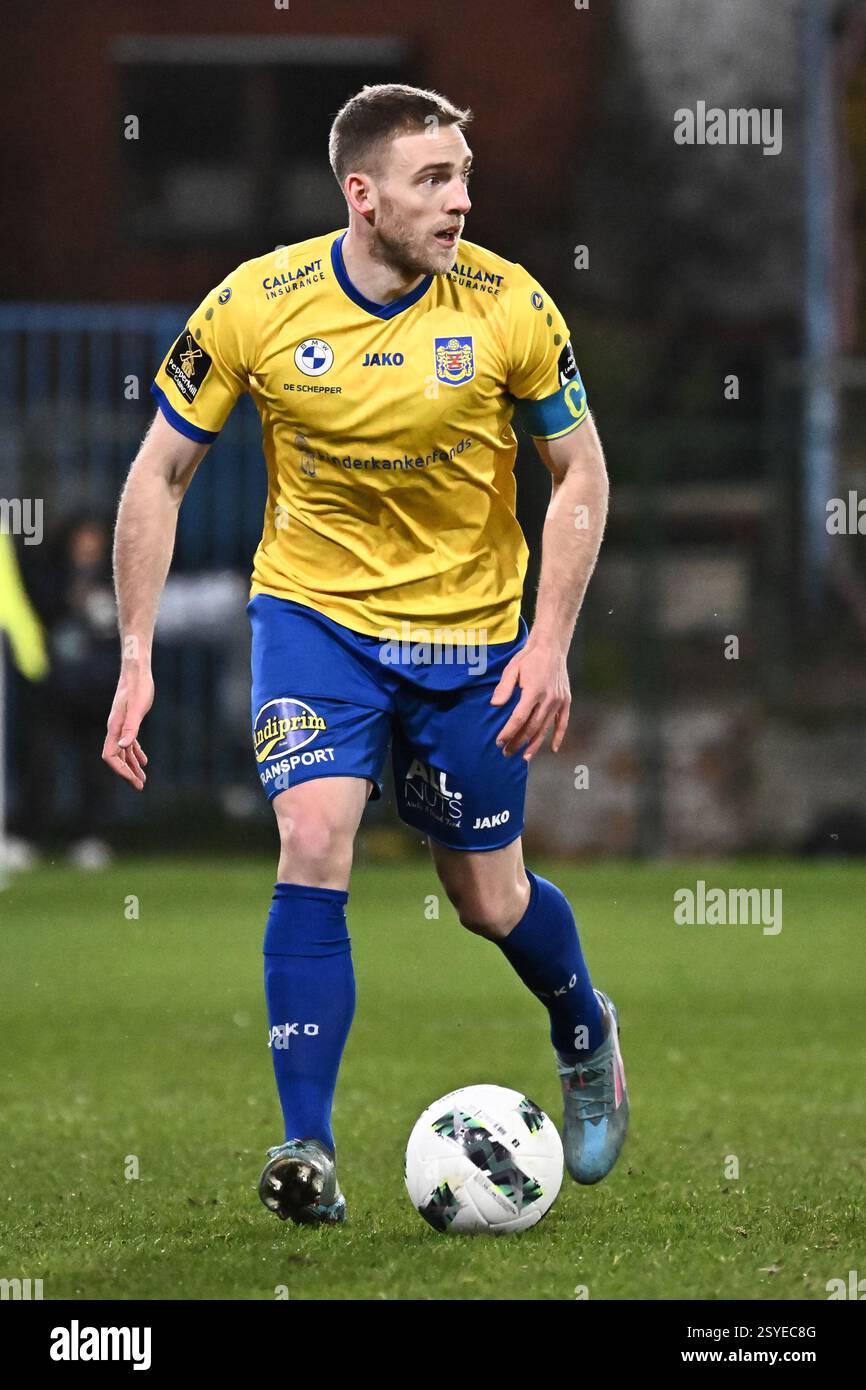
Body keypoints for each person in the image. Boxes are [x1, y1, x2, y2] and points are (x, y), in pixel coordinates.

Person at [104, 84, 628, 1226]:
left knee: (485, 897)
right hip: (314, 621)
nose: (460, 200)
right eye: (433, 180)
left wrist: (548, 643)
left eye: (464, 176)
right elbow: (159, 471)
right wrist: (136, 652)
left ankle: (583, 1026)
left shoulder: (508, 306)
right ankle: (308, 1145)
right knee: (310, 832)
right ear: (363, 194)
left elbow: (579, 474)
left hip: (470, 636)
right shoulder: (256, 302)